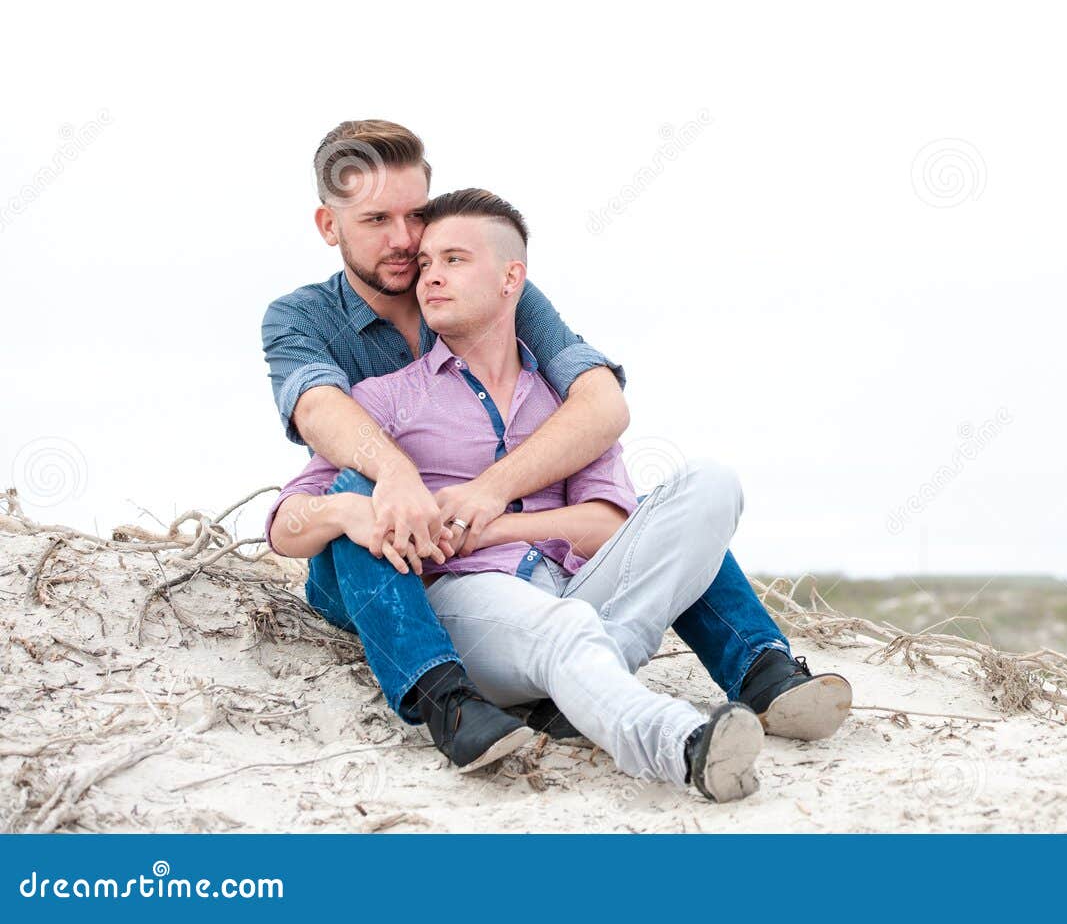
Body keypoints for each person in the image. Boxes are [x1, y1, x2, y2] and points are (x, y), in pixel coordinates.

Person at [259, 121, 850, 765]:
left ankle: (758, 670)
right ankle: (444, 695)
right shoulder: (304, 319)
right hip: (383, 565)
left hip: (531, 573)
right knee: (361, 491)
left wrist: (488, 500)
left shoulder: (500, 296)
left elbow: (599, 403)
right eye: (377, 220)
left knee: (687, 495)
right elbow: (319, 409)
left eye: (419, 221)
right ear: (329, 225)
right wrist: (392, 480)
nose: (406, 245)